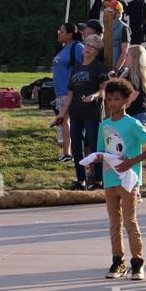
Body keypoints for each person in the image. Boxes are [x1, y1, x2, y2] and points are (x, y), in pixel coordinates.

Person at [98, 78, 146, 280]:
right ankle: (118, 261)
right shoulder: (104, 125)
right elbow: (102, 151)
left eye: (117, 99)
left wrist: (131, 162)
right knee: (114, 222)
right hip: (109, 179)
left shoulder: (133, 124)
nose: (112, 103)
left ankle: (138, 262)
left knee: (130, 221)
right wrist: (96, 160)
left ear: (127, 100)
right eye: (109, 99)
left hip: (128, 180)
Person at [53, 33, 107, 190]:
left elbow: (103, 89)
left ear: (97, 51)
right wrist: (62, 114)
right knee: (77, 146)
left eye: (93, 47)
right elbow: (70, 93)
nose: (89, 49)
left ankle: (98, 181)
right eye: (88, 45)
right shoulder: (76, 68)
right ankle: (81, 180)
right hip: (76, 112)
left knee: (95, 146)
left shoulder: (98, 66)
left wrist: (94, 96)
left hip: (92, 113)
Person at [52, 24, 84, 161]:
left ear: (70, 34)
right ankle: (67, 151)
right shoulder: (64, 48)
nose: (59, 32)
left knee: (65, 120)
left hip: (69, 91)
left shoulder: (78, 47)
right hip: (60, 92)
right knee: (63, 121)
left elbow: (85, 64)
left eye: (62, 31)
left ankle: (67, 153)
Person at [117, 45, 146, 125]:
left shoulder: (139, 77)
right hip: (131, 114)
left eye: (127, 55)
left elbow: (129, 100)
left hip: (138, 115)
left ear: (134, 58)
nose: (125, 58)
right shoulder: (127, 74)